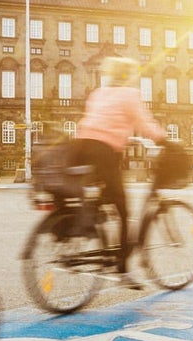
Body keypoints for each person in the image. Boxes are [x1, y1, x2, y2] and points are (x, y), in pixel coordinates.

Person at [71, 57, 167, 278]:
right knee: (123, 210)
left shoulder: (98, 93)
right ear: (127, 76)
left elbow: (93, 123)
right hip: (105, 153)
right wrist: (164, 139)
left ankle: (88, 219)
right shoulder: (129, 94)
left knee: (103, 197)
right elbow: (144, 124)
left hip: (82, 147)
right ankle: (122, 266)